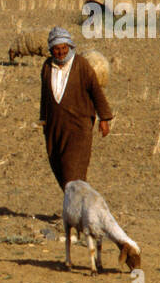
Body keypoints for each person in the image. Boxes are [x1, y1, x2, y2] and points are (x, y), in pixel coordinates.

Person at [39, 27, 112, 190]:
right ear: (51, 49)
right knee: (57, 165)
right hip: (54, 127)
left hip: (78, 126)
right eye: (57, 49)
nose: (61, 52)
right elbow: (44, 95)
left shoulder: (81, 65)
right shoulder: (47, 66)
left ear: (70, 47)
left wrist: (104, 118)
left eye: (64, 48)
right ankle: (76, 205)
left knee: (74, 172)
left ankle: (78, 208)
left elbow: (96, 91)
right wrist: (43, 119)